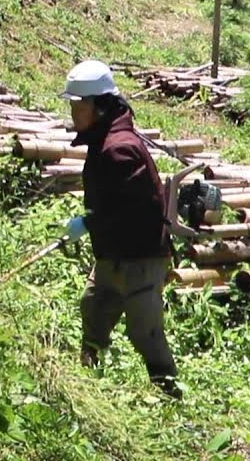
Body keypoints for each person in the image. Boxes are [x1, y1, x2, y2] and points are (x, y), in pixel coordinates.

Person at [60, 60, 181, 399]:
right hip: (113, 252)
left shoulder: (119, 148)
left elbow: (135, 209)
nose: (73, 113)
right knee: (94, 310)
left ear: (99, 106)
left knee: (145, 332)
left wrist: (88, 222)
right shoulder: (104, 140)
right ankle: (87, 385)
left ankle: (171, 397)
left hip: (140, 256)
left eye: (78, 105)